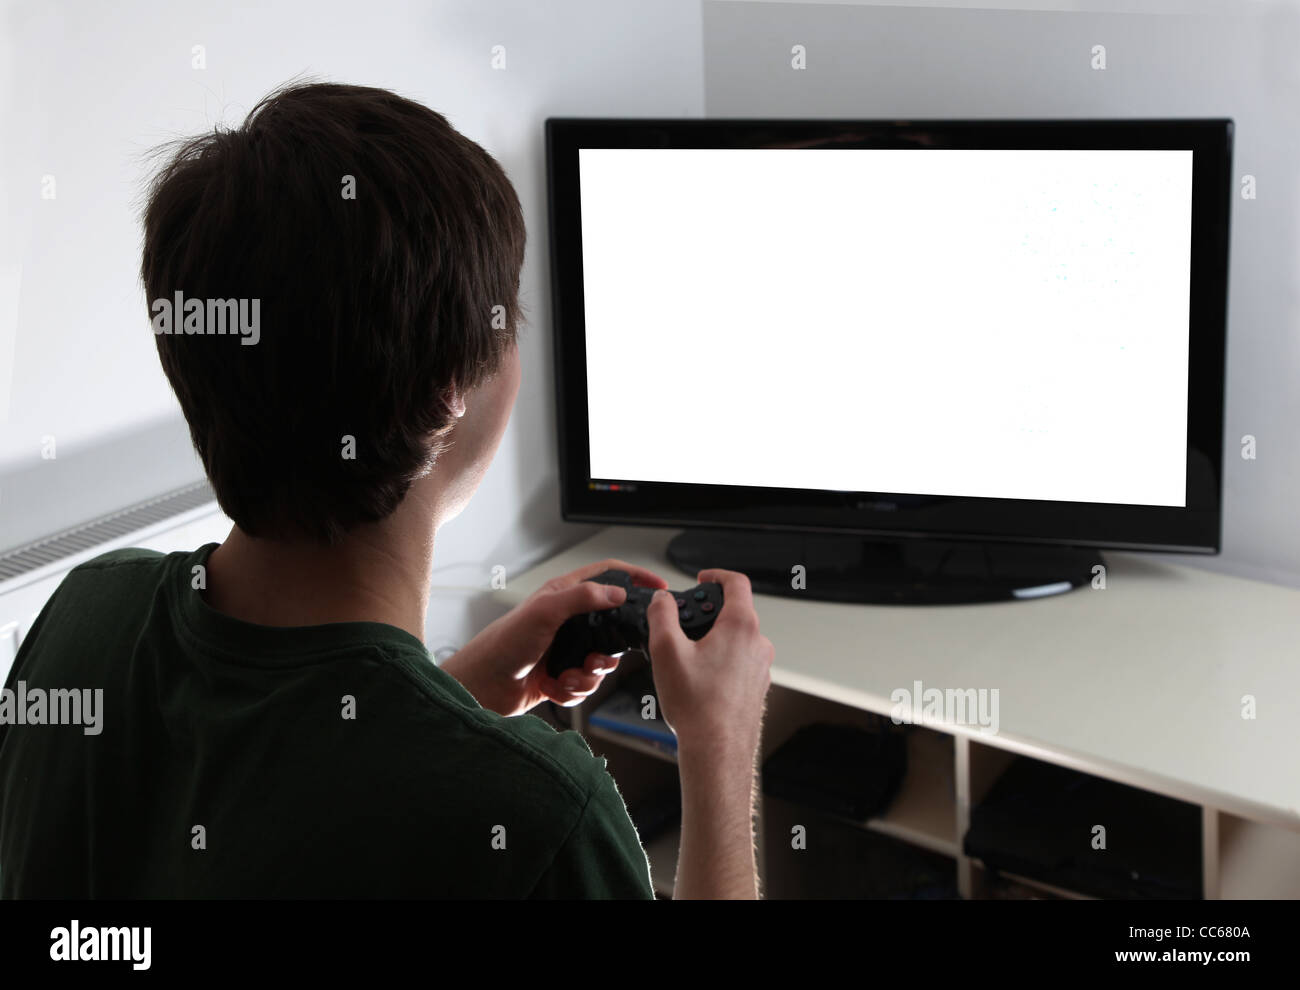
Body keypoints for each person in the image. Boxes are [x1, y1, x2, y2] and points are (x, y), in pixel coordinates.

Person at [0, 82, 773, 899]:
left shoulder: (85, 616)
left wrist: (450, 698)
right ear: (448, 396)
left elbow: (267, 817)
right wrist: (720, 746)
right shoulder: (539, 815)